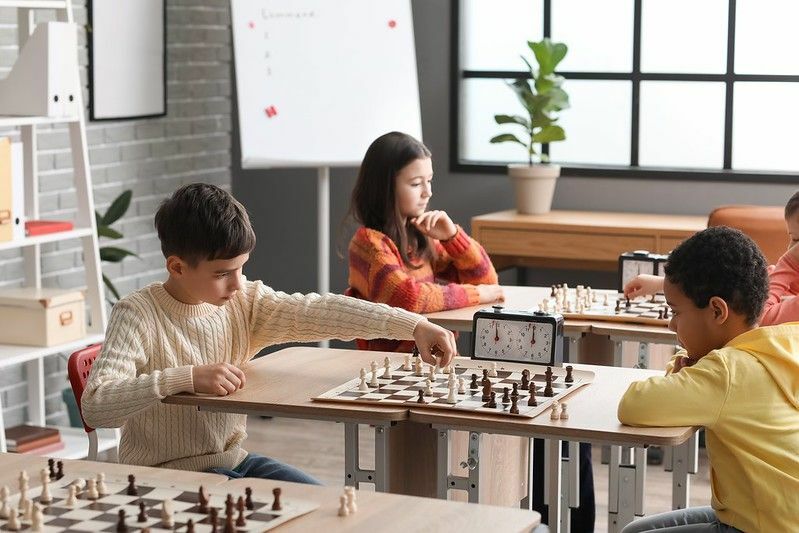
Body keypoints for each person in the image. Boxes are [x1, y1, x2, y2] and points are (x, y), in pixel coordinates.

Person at [82, 182, 456, 483]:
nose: (236, 283)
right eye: (221, 273)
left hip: (235, 461)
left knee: (329, 510)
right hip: (163, 476)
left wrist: (413, 324)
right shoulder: (137, 313)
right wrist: (185, 378)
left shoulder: (243, 302)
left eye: (241, 268)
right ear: (177, 267)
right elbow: (97, 406)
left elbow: (321, 311)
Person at [618, 227, 799, 532]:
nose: (670, 324)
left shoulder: (726, 371)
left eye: (675, 312)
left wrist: (682, 362)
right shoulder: (783, 341)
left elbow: (634, 404)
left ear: (717, 310)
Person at [346, 131, 502, 353]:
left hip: (428, 361)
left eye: (429, 181)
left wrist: (453, 237)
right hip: (389, 370)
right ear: (385, 187)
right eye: (416, 183)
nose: (428, 192)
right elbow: (408, 297)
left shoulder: (418, 236)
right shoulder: (368, 244)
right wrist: (477, 295)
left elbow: (485, 280)